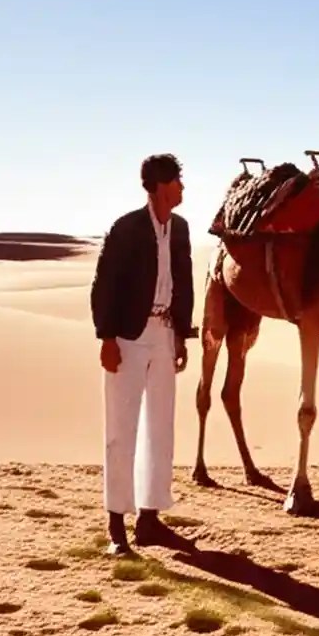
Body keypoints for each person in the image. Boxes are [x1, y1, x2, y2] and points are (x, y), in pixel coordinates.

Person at [89, 153, 197, 555]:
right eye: (178, 182)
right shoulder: (126, 228)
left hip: (165, 334)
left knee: (160, 427)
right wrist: (107, 337)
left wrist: (182, 336)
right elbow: (105, 285)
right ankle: (116, 523)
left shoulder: (181, 230)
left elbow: (182, 280)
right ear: (161, 185)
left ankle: (150, 517)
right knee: (121, 428)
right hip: (128, 338)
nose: (183, 189)